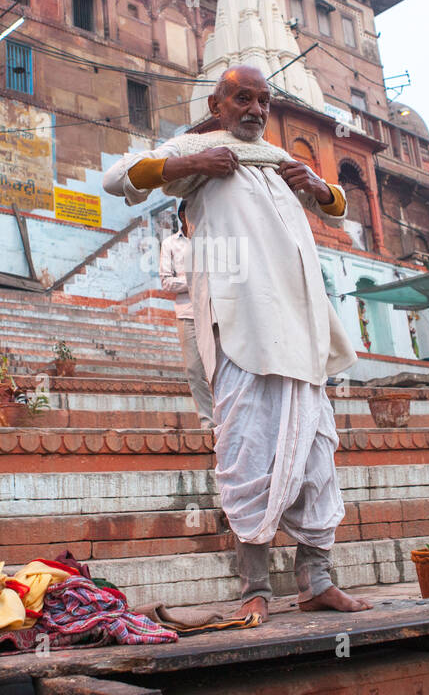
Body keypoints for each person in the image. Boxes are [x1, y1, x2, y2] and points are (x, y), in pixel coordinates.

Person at [104, 65, 371, 623]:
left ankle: (317, 581)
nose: (253, 109)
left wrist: (319, 188)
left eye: (262, 101)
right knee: (248, 451)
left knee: (317, 454)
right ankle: (255, 587)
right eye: (241, 98)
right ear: (218, 104)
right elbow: (117, 176)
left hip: (301, 328)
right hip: (241, 324)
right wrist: (196, 161)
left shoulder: (277, 161)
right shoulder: (198, 152)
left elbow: (337, 204)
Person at [160, 201, 215, 430]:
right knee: (194, 369)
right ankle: (208, 422)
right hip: (187, 313)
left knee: (220, 369)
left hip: (215, 312)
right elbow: (166, 282)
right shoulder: (170, 244)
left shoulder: (212, 241)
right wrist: (196, 280)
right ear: (183, 215)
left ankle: (228, 421)